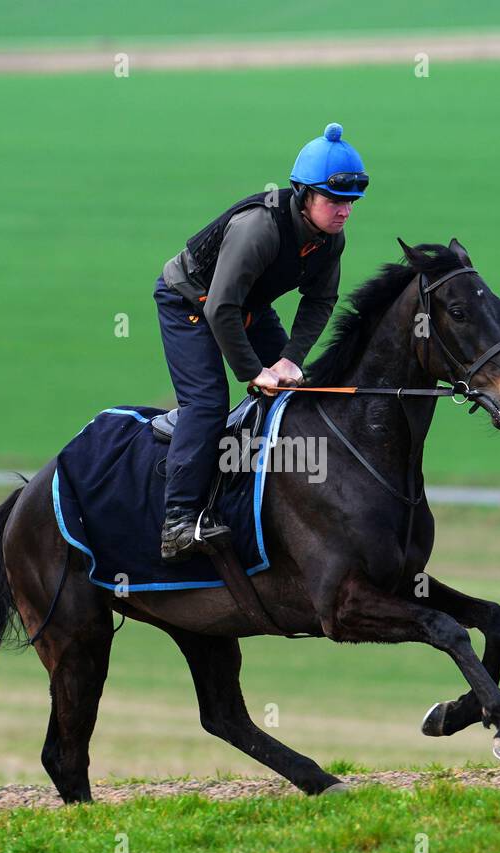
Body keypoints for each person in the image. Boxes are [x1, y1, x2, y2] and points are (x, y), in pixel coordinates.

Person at [154, 122, 367, 562]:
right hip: (191, 301)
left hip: (245, 307)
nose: (344, 210)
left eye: (351, 201)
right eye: (334, 200)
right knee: (208, 402)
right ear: (304, 195)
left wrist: (289, 361)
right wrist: (254, 372)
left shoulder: (330, 239)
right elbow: (219, 310)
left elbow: (321, 300)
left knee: (297, 392)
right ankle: (177, 522)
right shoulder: (259, 229)